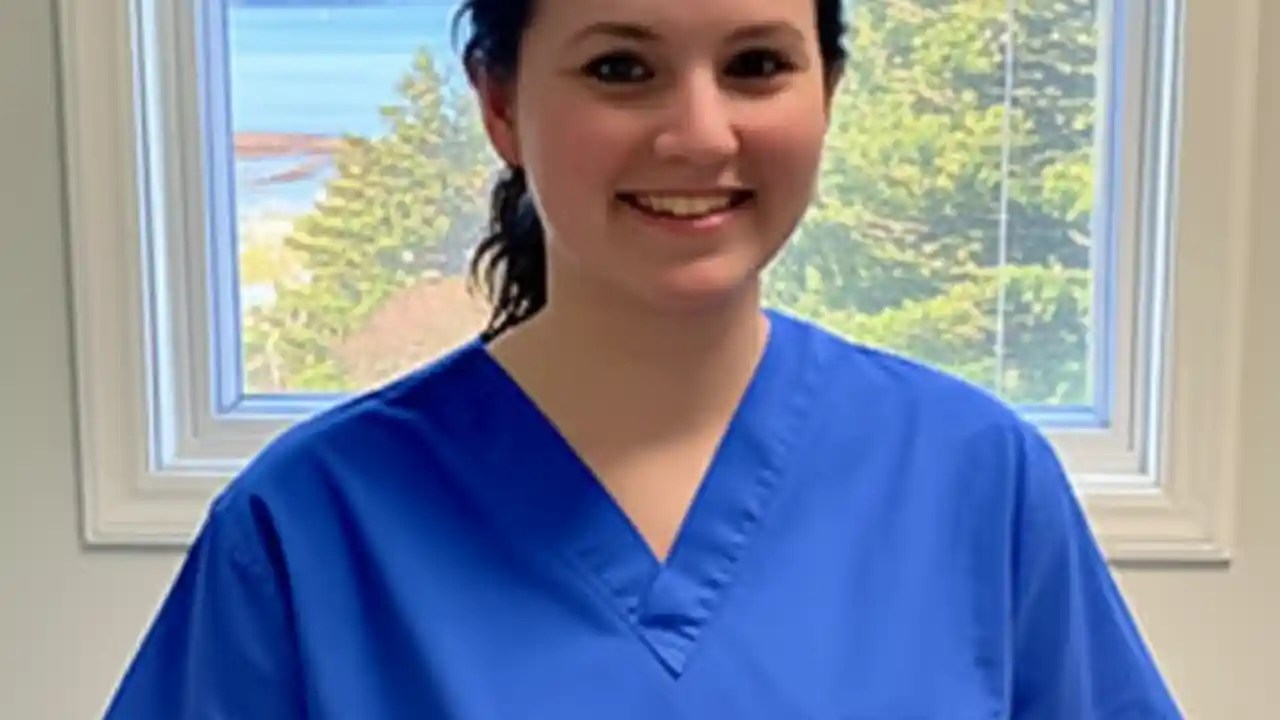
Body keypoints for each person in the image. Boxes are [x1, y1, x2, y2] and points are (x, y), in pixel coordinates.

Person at [105, 0, 1182, 717]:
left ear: (828, 93)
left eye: (757, 65)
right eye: (620, 68)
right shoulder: (311, 527)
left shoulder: (973, 479)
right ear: (499, 106)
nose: (701, 134)